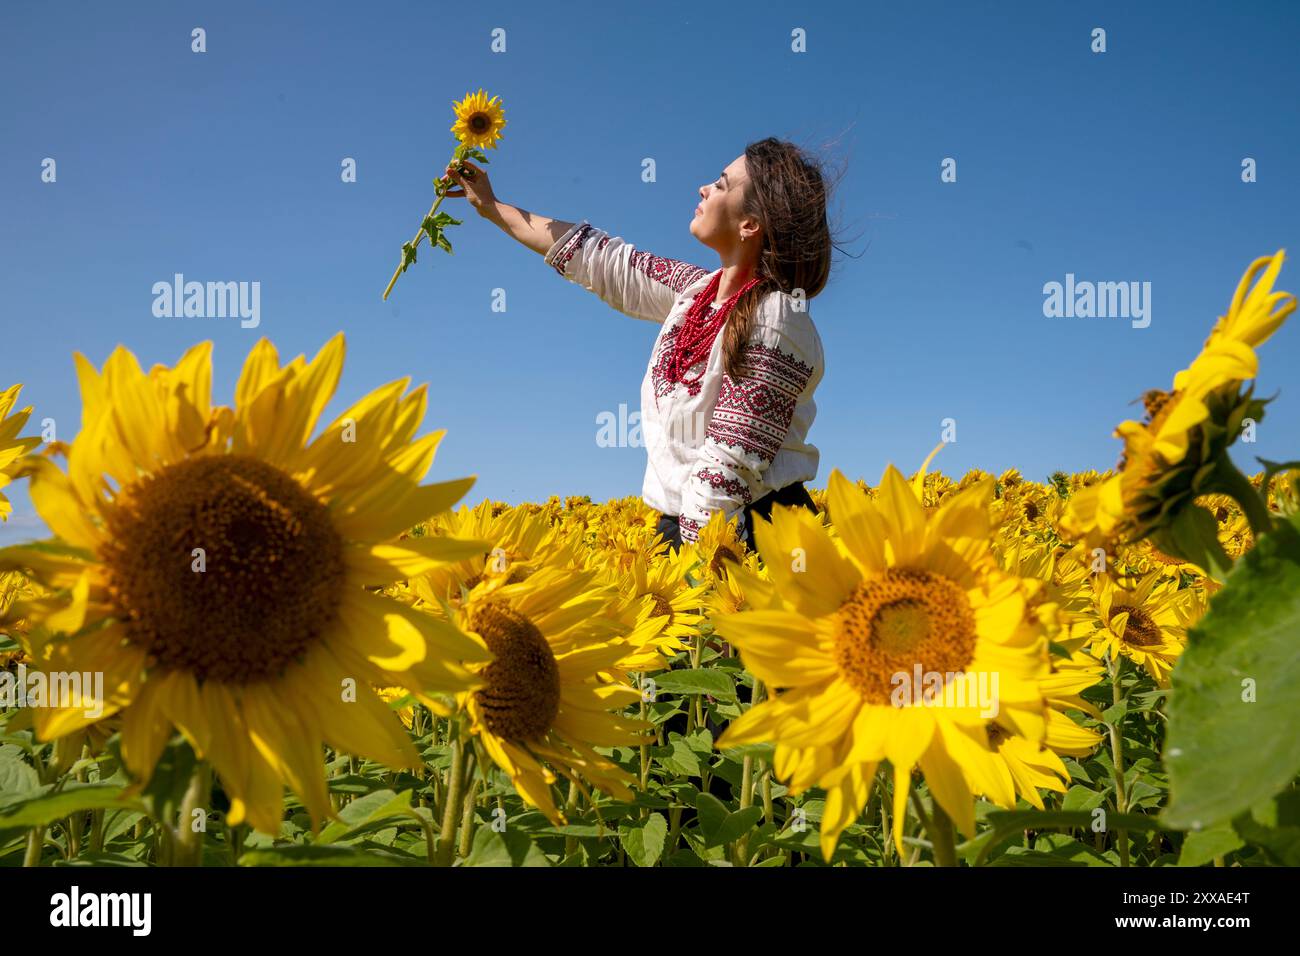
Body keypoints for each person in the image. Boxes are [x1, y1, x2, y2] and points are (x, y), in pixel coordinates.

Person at [442, 137, 836, 561]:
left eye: (721, 184)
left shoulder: (778, 316)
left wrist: (703, 577)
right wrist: (491, 207)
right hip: (686, 533)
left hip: (750, 540)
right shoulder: (695, 292)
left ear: (750, 224)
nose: (703, 188)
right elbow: (600, 259)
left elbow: (729, 465)